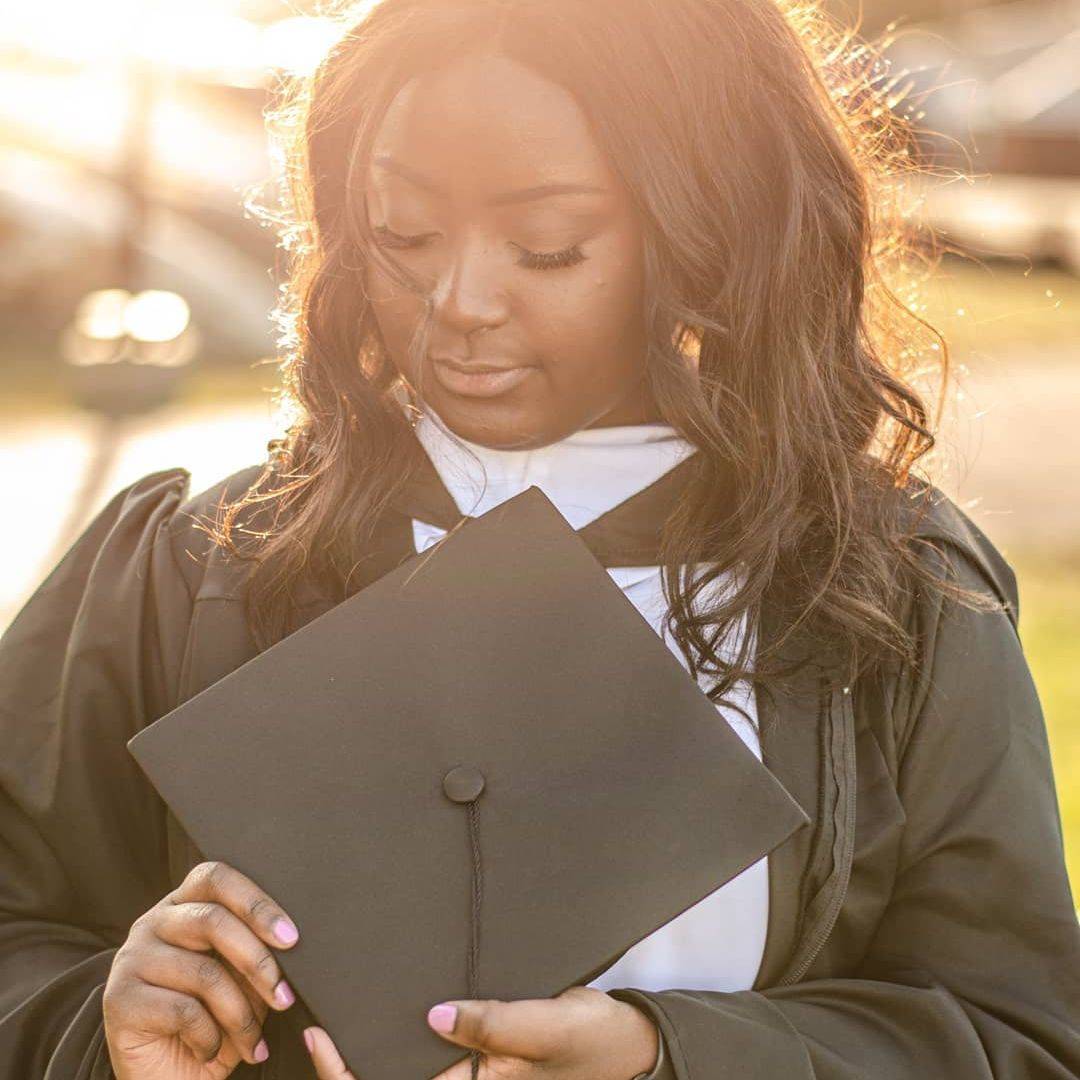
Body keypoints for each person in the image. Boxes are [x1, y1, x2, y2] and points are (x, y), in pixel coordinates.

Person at [2, 0, 1078, 1077]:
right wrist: (98, 1026)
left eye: (549, 246)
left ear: (710, 226)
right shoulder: (196, 564)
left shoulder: (888, 588)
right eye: (404, 235)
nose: (460, 301)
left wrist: (668, 1060)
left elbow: (1017, 1033)